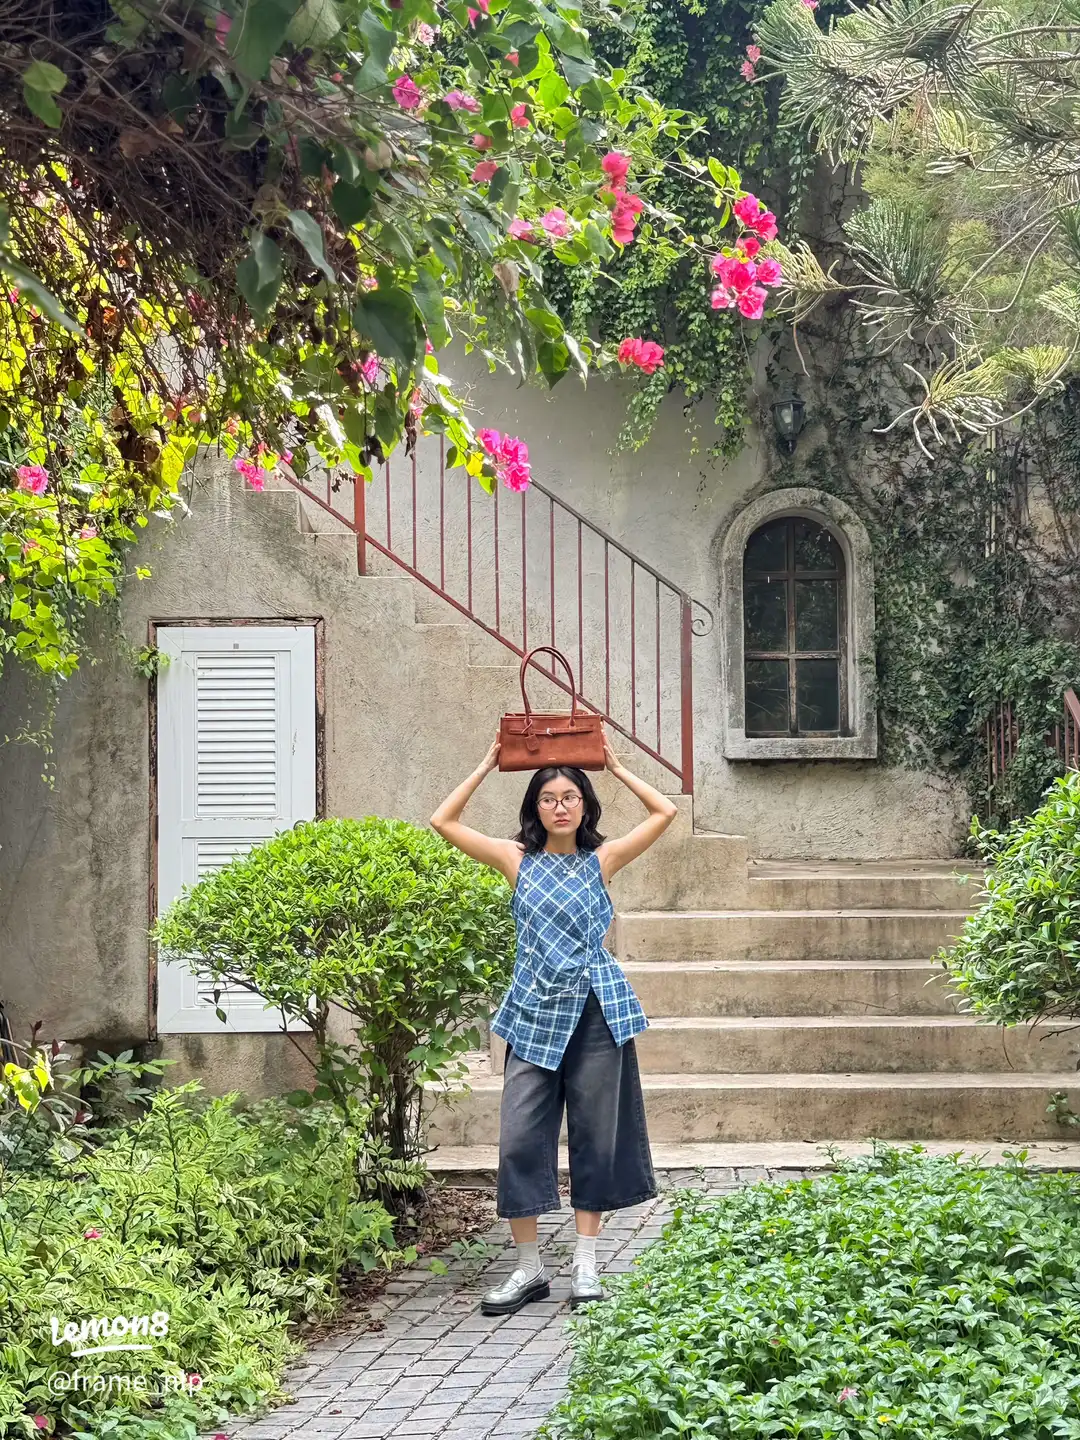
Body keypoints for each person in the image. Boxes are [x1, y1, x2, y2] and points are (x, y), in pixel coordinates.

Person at [430, 730, 677, 1314]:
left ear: (585, 805)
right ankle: (528, 1268)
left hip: (596, 1009)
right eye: (548, 798)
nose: (559, 806)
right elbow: (443, 820)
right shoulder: (515, 859)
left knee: (594, 1134)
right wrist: (488, 762)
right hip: (534, 1010)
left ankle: (587, 1261)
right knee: (519, 1137)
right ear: (534, 808)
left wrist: (614, 764)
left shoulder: (602, 860)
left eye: (570, 796)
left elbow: (664, 809)